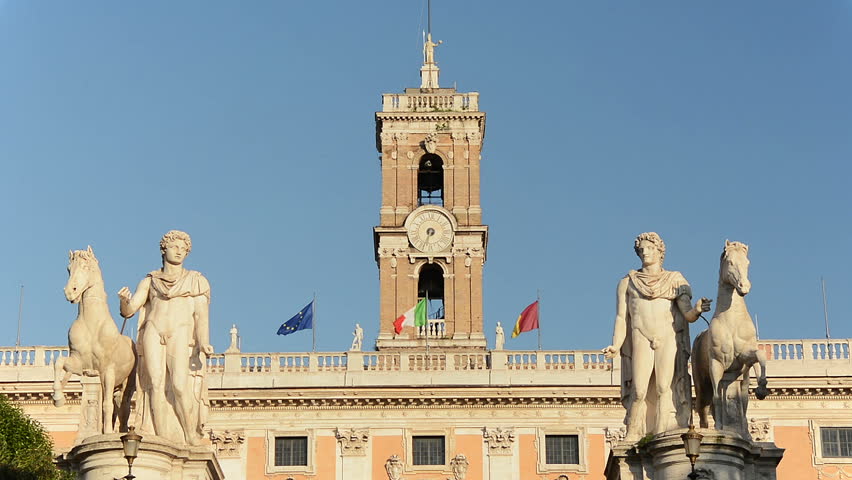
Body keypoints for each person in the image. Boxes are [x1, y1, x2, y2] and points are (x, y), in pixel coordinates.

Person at [603, 232, 711, 441]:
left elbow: (687, 315)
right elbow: (621, 317)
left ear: (660, 251)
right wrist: (616, 345)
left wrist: (697, 309)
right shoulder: (627, 282)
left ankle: (663, 433)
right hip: (640, 337)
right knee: (639, 388)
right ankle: (634, 432)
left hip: (667, 337)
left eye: (650, 247)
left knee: (664, 386)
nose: (645, 251)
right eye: (641, 249)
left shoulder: (675, 280)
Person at [118, 230, 212, 445]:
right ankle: (161, 437)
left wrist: (203, 341)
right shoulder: (150, 280)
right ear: (164, 249)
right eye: (175, 247)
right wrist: (124, 301)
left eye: (184, 249)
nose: (179, 252)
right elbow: (130, 310)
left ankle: (189, 434)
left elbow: (201, 314)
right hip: (153, 328)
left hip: (180, 331)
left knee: (179, 384)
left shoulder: (196, 280)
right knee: (154, 384)